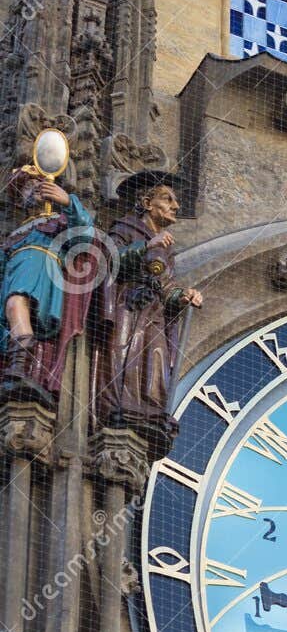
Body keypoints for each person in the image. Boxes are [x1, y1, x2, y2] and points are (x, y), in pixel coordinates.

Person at [92, 183, 202, 452]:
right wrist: (145, 246)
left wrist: (183, 296)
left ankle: (149, 409)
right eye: (168, 199)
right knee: (124, 355)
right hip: (126, 303)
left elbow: (166, 288)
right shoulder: (125, 228)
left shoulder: (166, 249)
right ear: (147, 202)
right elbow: (109, 262)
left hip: (153, 310)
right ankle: (120, 406)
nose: (175, 206)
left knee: (155, 358)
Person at [0, 164, 95, 402]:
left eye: (34, 184)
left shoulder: (60, 219)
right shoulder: (14, 234)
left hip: (40, 266)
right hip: (13, 273)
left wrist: (68, 202)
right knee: (11, 308)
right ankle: (16, 368)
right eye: (23, 187)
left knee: (15, 305)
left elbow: (86, 237)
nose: (30, 190)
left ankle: (19, 365)